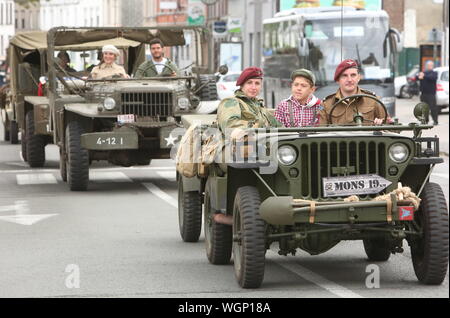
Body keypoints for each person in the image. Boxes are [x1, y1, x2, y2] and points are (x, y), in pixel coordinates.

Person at [319, 59, 389, 125]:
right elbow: (320, 133)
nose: (349, 79)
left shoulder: (373, 100)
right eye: (344, 75)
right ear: (338, 80)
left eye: (353, 75)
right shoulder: (326, 104)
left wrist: (381, 126)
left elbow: (394, 129)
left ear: (358, 77)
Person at [217, 67, 281, 134]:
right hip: (239, 143)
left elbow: (276, 124)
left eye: (257, 83)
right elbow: (229, 126)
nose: (253, 87)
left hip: (260, 142)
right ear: (242, 85)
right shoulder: (231, 102)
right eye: (249, 83)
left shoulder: (258, 105)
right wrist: (258, 127)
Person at [417, 60, 439, 125]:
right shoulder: (423, 73)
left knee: (433, 108)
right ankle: (425, 121)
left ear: (432, 66)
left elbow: (432, 78)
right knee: (424, 108)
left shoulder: (434, 73)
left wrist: (424, 76)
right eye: (428, 65)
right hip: (423, 94)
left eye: (430, 65)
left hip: (431, 94)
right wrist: (419, 76)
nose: (429, 66)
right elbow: (417, 78)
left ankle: (435, 121)